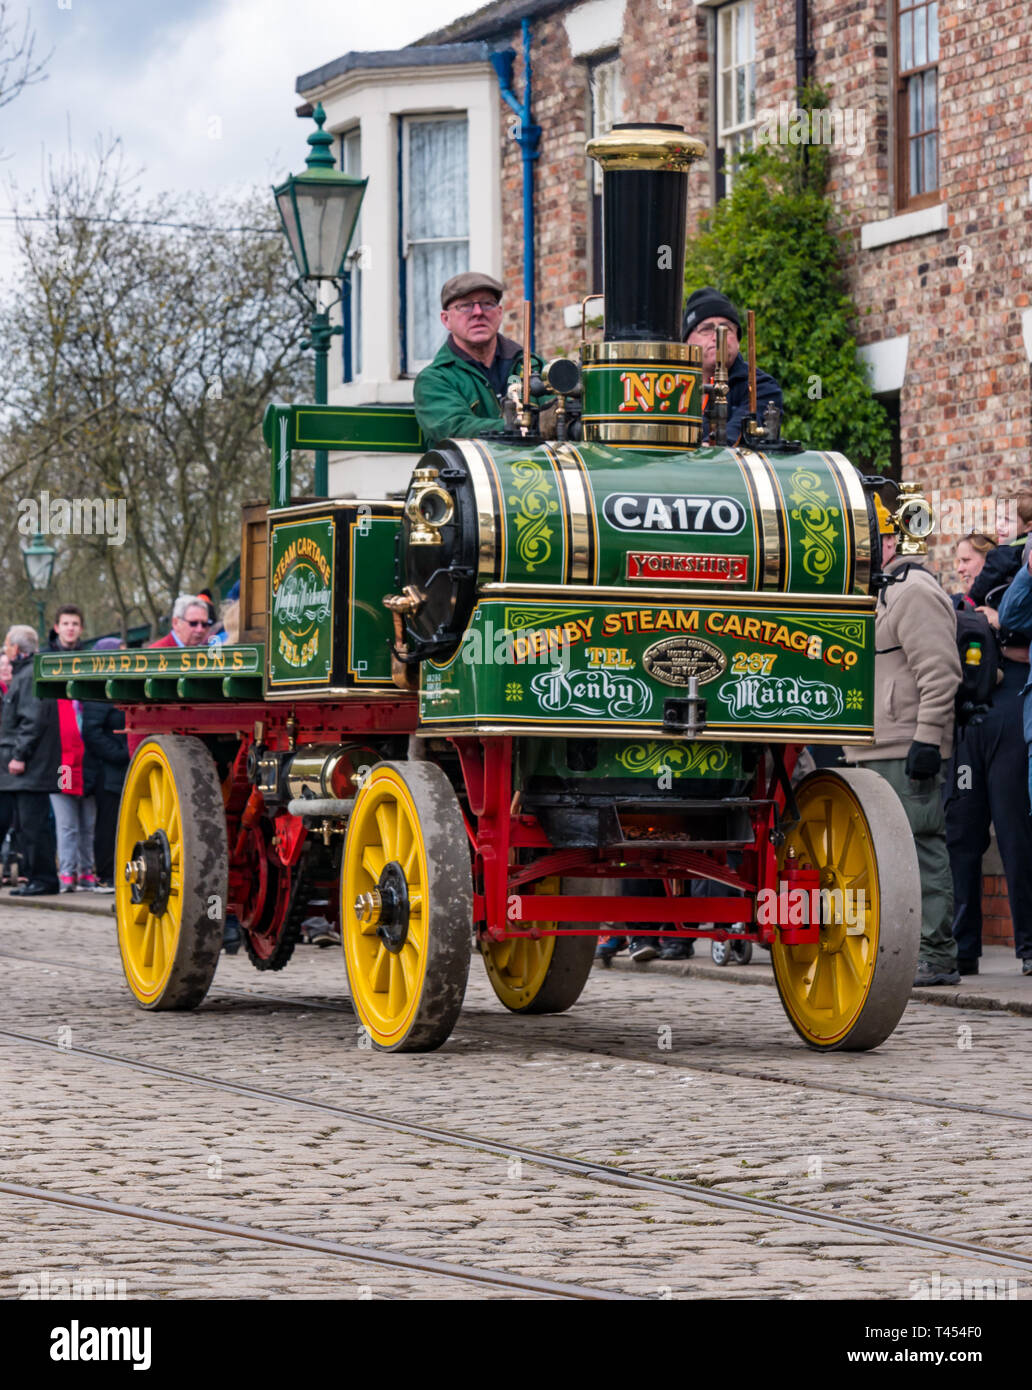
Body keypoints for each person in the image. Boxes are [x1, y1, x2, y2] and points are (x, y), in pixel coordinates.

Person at [844, 498, 962, 986]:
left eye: (866, 538)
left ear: (888, 541)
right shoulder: (878, 592)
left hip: (903, 745)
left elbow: (941, 673)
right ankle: (900, 952)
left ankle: (937, 953)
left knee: (920, 847)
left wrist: (927, 740)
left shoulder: (913, 592)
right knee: (880, 858)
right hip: (871, 747)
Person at [947, 532, 1032, 977]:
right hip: (969, 724)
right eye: (957, 561)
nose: (961, 568)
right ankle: (964, 948)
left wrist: (999, 628)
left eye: (967, 559)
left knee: (1015, 829)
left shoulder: (1015, 594)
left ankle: (1028, 946)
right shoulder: (958, 607)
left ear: (989, 560)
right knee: (961, 832)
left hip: (1009, 713)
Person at [413, 272, 543, 449]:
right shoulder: (434, 380)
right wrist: (527, 426)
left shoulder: (531, 366)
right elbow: (456, 429)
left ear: (499, 313)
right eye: (465, 306)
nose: (478, 313)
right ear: (446, 319)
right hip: (470, 474)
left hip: (538, 472)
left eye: (487, 304)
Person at [0, 625, 59, 896]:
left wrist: (19, 755)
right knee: (27, 827)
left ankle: (43, 879)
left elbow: (32, 720)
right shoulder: (27, 674)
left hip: (30, 767)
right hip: (28, 768)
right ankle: (37, 877)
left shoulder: (29, 676)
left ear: (15, 647)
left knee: (34, 827)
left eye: (7, 644)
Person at [682, 287, 783, 445]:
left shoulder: (759, 387)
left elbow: (734, 438)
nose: (717, 336)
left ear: (737, 339)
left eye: (726, 328)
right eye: (706, 329)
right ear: (687, 340)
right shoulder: (669, 385)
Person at [81, 637, 127, 891]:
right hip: (106, 771)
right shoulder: (98, 694)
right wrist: (122, 753)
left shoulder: (117, 688)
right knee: (107, 823)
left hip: (119, 768)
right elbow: (92, 732)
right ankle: (106, 874)